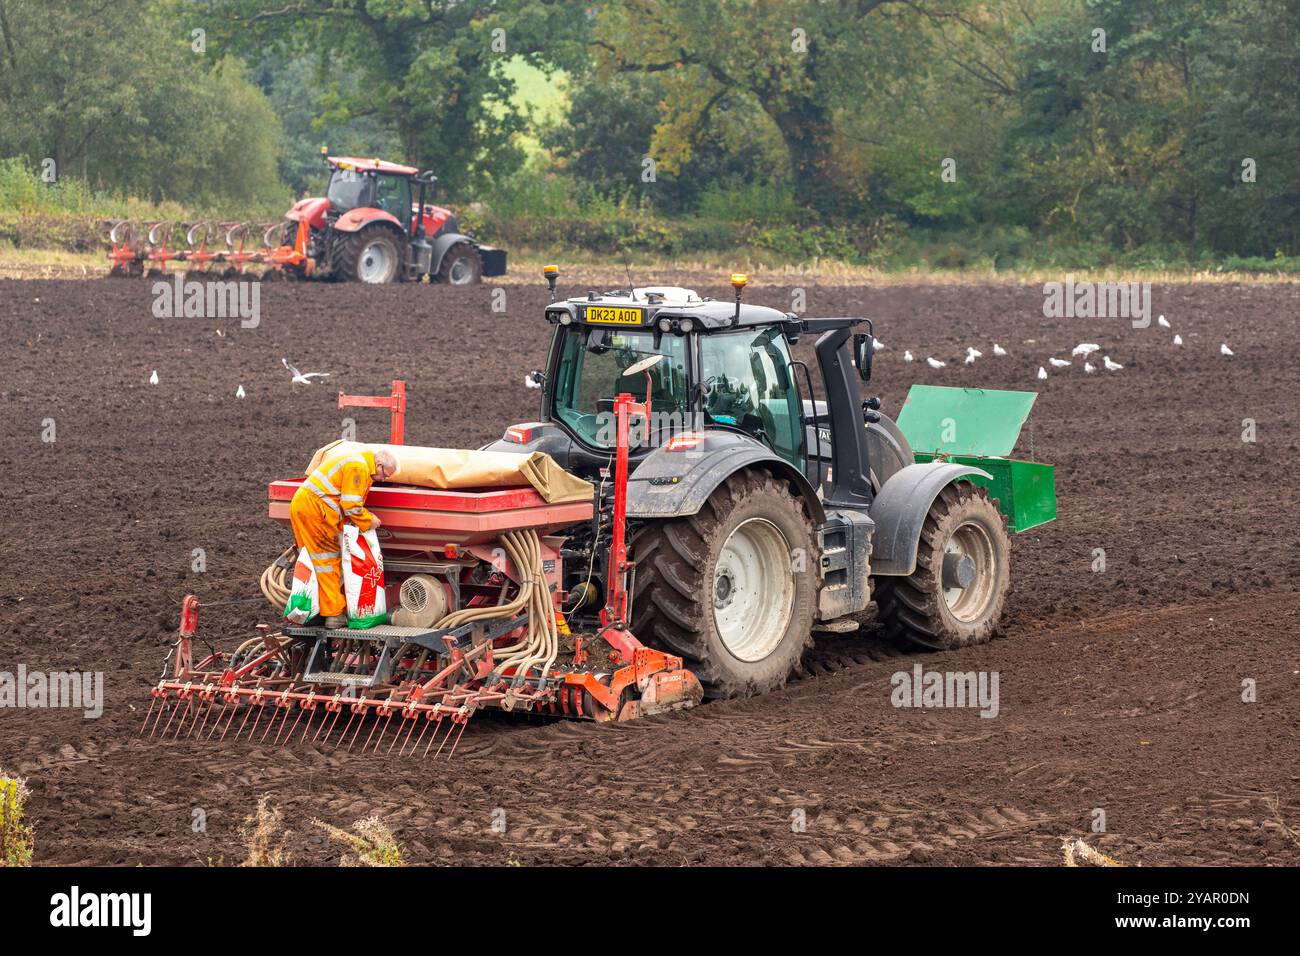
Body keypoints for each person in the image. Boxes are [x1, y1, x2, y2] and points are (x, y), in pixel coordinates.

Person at [289, 447, 397, 628]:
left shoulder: (357, 460)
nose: (384, 480)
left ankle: (314, 611)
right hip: (317, 512)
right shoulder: (359, 467)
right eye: (385, 475)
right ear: (379, 465)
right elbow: (351, 505)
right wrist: (370, 520)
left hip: (306, 507)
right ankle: (333, 615)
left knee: (312, 561)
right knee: (327, 563)